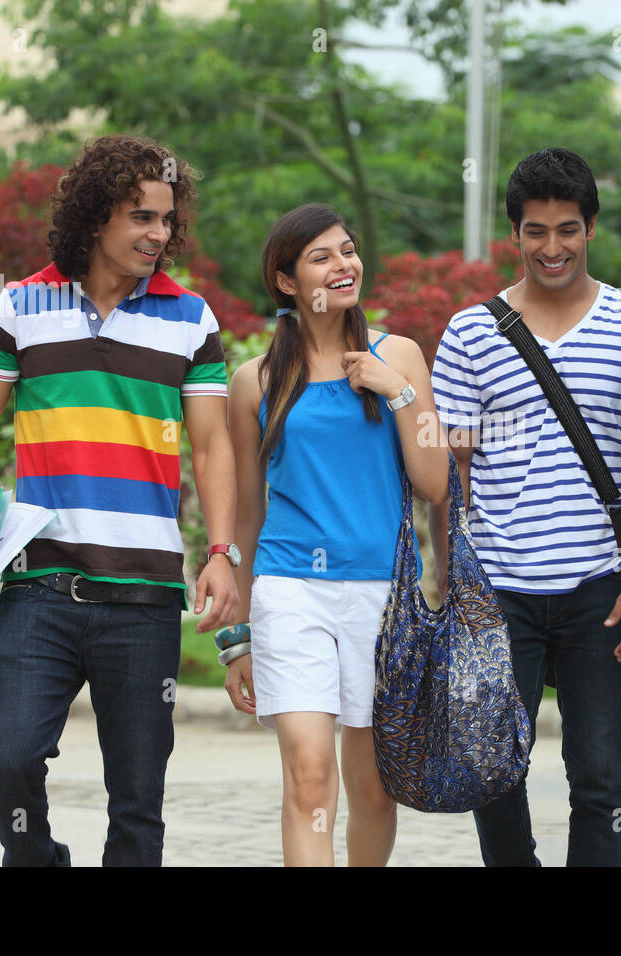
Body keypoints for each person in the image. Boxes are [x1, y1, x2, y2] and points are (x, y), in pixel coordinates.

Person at [0, 135, 240, 866]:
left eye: (167, 219)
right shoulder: (22, 306)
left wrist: (221, 553)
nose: (158, 234)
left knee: (138, 800)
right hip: (39, 586)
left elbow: (211, 447)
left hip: (144, 597)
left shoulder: (191, 319)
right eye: (141, 217)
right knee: (10, 757)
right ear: (96, 216)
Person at [430, 148, 621, 867]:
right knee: (492, 767)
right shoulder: (470, 333)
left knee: (601, 779)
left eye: (567, 229)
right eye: (536, 231)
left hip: (604, 587)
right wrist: (452, 582)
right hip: (499, 587)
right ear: (515, 234)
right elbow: (452, 474)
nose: (552, 247)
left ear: (590, 227)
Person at [221, 203, 448, 866]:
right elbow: (246, 514)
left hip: (384, 596)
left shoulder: (398, 355)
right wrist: (236, 637)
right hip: (291, 590)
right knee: (310, 777)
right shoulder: (254, 381)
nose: (343, 265)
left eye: (348, 250)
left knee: (374, 788)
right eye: (321, 257)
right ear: (286, 280)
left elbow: (435, 482)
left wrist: (397, 391)